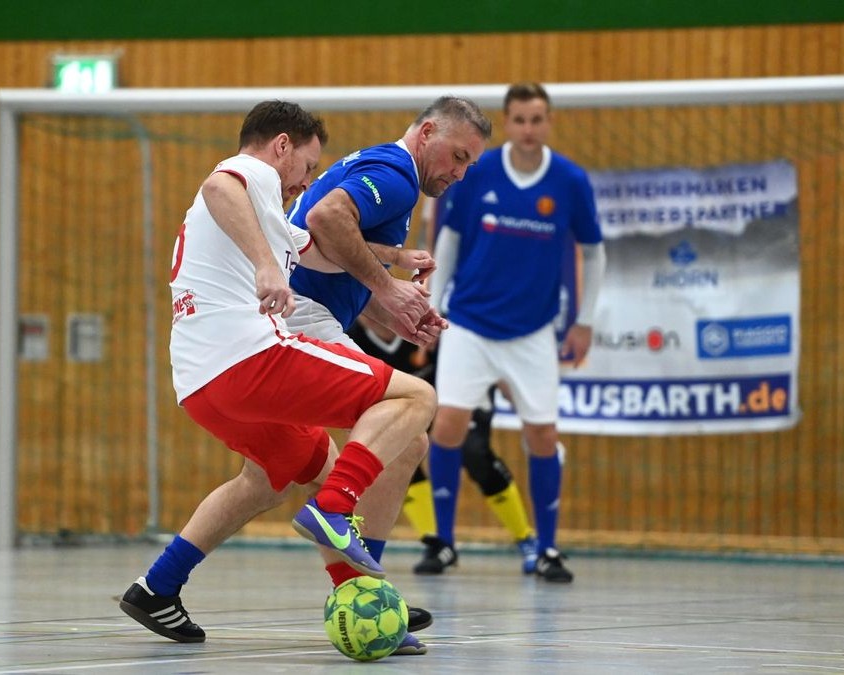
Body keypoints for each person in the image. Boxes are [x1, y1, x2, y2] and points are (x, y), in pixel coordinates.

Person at [120, 97, 491, 654]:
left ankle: (158, 587)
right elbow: (222, 187)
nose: (309, 181)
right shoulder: (252, 173)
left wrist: (392, 271)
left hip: (199, 384)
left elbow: (315, 246)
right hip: (248, 356)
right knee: (415, 402)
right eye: (309, 166)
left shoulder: (274, 212)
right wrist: (268, 266)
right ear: (281, 146)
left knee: (288, 476)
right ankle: (341, 521)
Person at [425, 82, 607, 584]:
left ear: (549, 122)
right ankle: (443, 542)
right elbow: (449, 240)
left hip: (532, 330)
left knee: (543, 435)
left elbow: (594, 252)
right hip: (469, 322)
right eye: (520, 119)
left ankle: (547, 549)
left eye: (537, 119)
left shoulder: (569, 180)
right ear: (507, 123)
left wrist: (586, 320)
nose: (528, 129)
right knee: (447, 425)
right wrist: (433, 308)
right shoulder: (478, 171)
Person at [347, 313, 541, 577]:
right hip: (407, 407)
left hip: (454, 398)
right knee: (396, 453)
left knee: (475, 453)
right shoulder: (352, 338)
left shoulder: (426, 326)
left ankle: (526, 538)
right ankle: (437, 543)